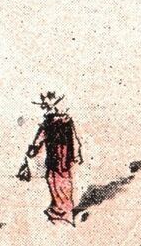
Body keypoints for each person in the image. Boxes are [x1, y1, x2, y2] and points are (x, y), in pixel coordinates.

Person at [26, 91, 82, 227]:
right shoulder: (48, 122)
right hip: (54, 156)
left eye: (47, 106)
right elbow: (40, 137)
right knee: (52, 178)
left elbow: (74, 139)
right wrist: (34, 148)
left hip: (63, 156)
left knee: (61, 179)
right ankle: (58, 206)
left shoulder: (66, 122)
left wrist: (76, 154)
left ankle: (65, 209)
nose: (45, 109)